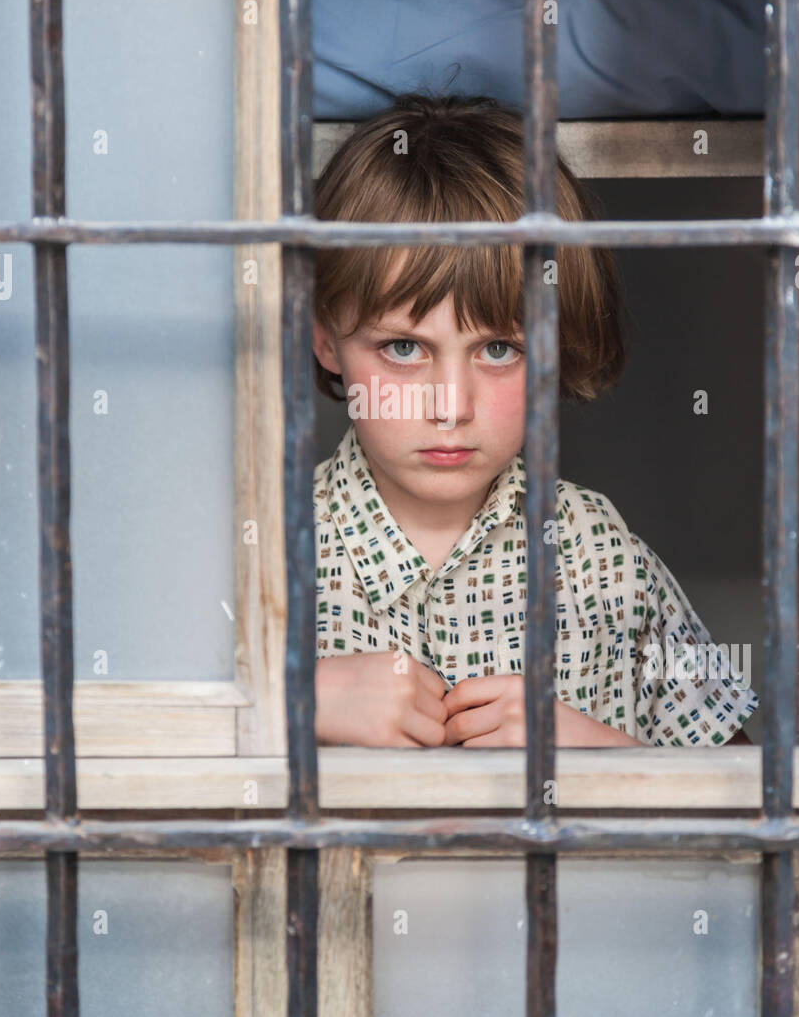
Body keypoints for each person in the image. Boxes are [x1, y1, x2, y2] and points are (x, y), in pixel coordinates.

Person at [310, 92, 759, 749]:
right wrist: (295, 701)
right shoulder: (262, 560)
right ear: (326, 339)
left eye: (499, 350)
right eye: (403, 348)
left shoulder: (605, 559)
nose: (451, 407)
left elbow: (748, 803)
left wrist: (600, 753)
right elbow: (131, 743)